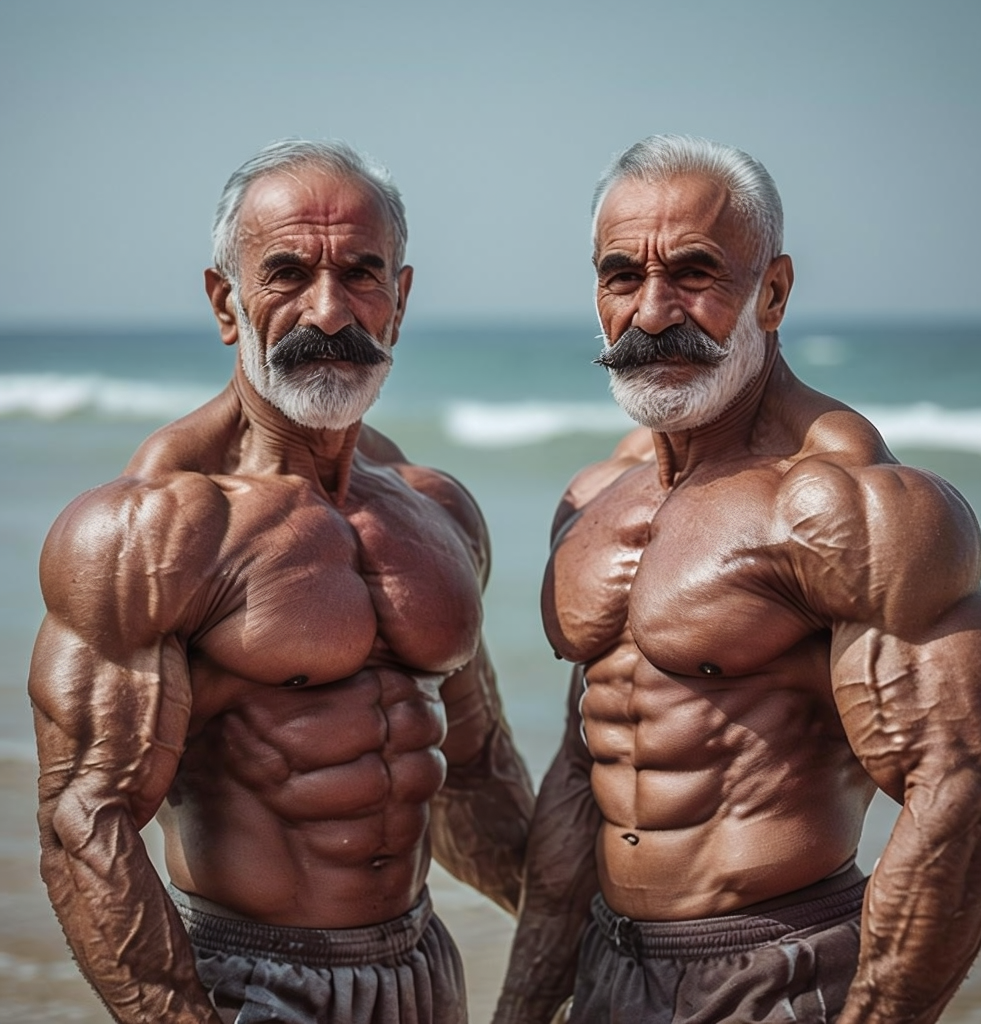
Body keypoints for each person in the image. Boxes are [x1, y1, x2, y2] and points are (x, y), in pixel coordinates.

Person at [493, 134, 981, 1024]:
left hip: (779, 974)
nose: (653, 312)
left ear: (772, 292)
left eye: (694, 272)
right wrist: (525, 1006)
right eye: (622, 276)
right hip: (610, 972)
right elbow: (589, 773)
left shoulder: (842, 502)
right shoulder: (592, 501)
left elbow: (964, 803)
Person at [29, 139, 535, 1024]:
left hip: (425, 974)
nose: (329, 309)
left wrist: (566, 955)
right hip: (253, 984)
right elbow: (86, 825)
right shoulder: (156, 530)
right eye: (288, 273)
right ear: (226, 302)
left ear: (401, 300)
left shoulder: (435, 509)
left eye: (362, 274)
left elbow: (475, 770)